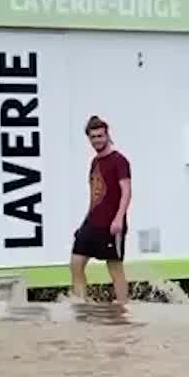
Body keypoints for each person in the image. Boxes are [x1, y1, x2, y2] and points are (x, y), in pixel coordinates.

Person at [70, 115, 132, 305]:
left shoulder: (119, 160)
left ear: (107, 136)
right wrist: (85, 223)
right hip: (92, 222)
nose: (97, 140)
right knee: (76, 264)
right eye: (93, 137)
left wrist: (119, 218)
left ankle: (123, 308)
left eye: (100, 136)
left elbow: (127, 192)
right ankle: (82, 304)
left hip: (112, 224)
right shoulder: (95, 162)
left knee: (114, 269)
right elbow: (95, 195)